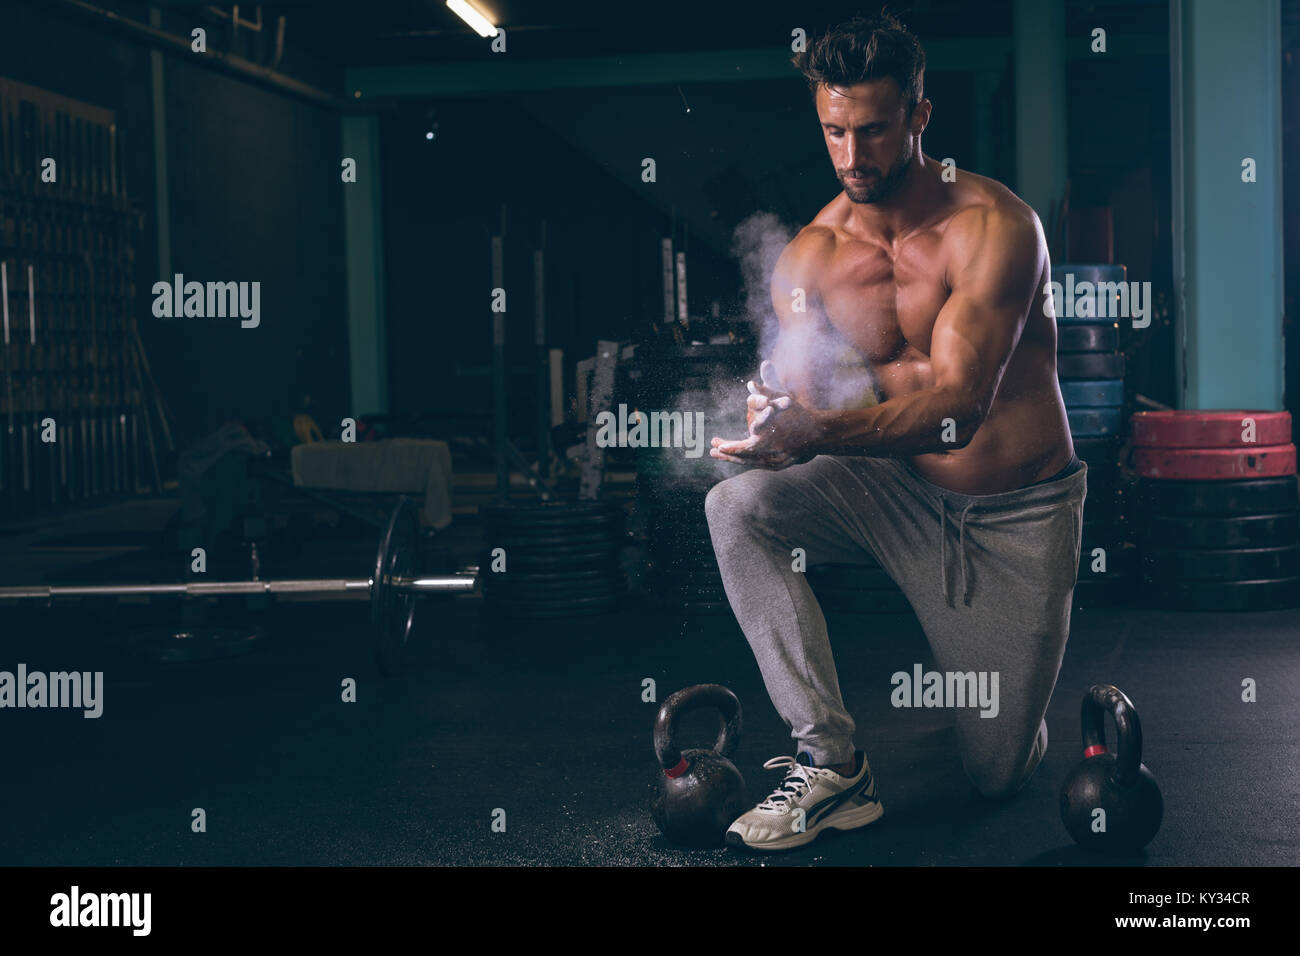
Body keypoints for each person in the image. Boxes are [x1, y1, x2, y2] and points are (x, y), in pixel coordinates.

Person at [705, 12, 1084, 852]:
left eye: (872, 129)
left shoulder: (995, 229)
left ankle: (1014, 720)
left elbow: (958, 409)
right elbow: (804, 401)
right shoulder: (810, 255)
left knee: (994, 774)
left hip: (1015, 517)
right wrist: (775, 420)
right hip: (897, 491)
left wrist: (819, 429)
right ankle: (831, 764)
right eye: (834, 131)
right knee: (737, 509)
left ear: (919, 116)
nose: (851, 155)